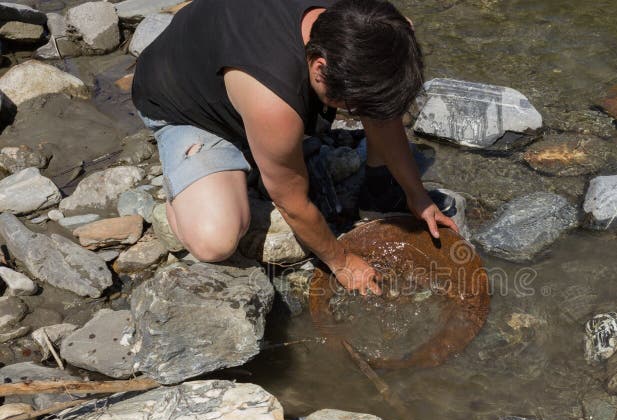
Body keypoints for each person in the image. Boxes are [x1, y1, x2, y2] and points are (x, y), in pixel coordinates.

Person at [132, 0, 458, 296]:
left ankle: (354, 160)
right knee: (214, 240)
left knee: (380, 86)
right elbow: (292, 204)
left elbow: (383, 104)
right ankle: (180, 186)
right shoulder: (273, 105)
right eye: (354, 109)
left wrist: (417, 195)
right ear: (319, 68)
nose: (361, 115)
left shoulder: (368, 22)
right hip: (182, 105)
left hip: (232, 62)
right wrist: (341, 261)